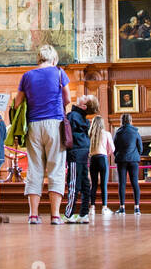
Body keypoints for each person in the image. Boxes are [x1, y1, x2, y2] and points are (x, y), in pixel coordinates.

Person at [13, 43, 72, 224]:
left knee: (35, 169)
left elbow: (17, 103)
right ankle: (55, 215)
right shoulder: (60, 73)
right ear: (53, 59)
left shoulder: (27, 76)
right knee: (56, 168)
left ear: (38, 58)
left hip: (33, 125)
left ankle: (33, 215)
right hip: (54, 122)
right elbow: (67, 99)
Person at [64, 95, 92, 223]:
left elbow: (66, 133)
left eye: (86, 97)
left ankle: (69, 215)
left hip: (75, 151)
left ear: (84, 106)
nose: (83, 95)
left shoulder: (73, 115)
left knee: (73, 182)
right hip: (84, 150)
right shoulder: (83, 118)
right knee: (85, 183)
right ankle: (84, 214)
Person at [113, 113, 143, 215]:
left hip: (121, 160)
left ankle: (122, 208)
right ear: (131, 120)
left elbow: (114, 147)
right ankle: (137, 208)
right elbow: (140, 148)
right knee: (135, 183)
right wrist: (136, 155)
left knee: (122, 183)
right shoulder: (135, 132)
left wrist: (118, 154)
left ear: (121, 121)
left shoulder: (118, 133)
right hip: (133, 160)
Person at [87, 104, 114, 217]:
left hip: (93, 159)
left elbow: (87, 148)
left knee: (93, 184)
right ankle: (104, 207)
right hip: (103, 158)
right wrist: (106, 153)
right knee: (103, 184)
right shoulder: (106, 133)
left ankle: (92, 208)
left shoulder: (90, 134)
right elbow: (112, 148)